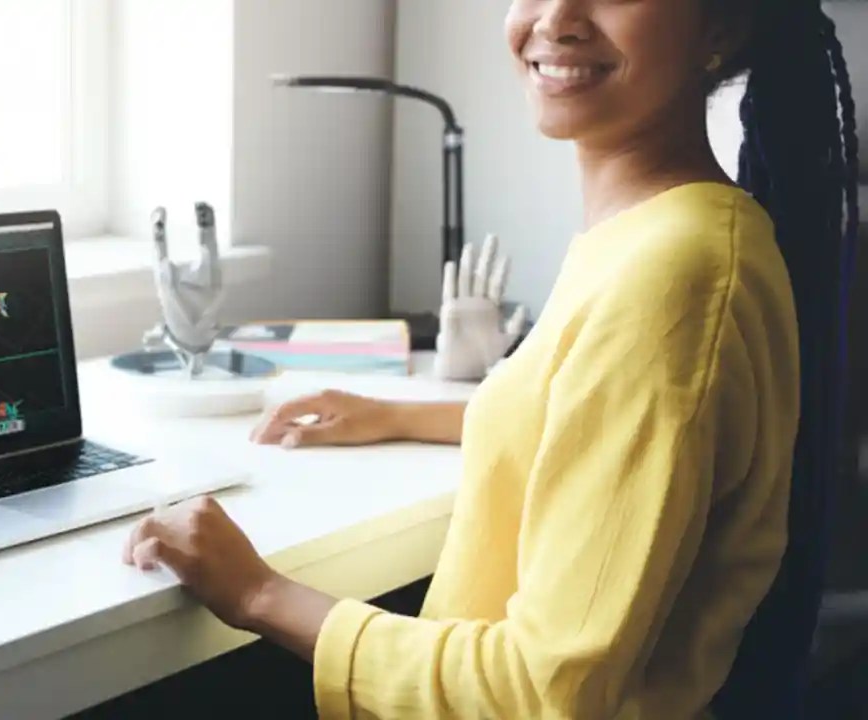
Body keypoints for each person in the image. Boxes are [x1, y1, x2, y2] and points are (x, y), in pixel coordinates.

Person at [121, 0, 860, 716]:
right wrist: (398, 413)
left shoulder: (675, 272)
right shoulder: (662, 232)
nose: (557, 18)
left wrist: (256, 593)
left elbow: (540, 695)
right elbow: (590, 417)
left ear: (721, 26)